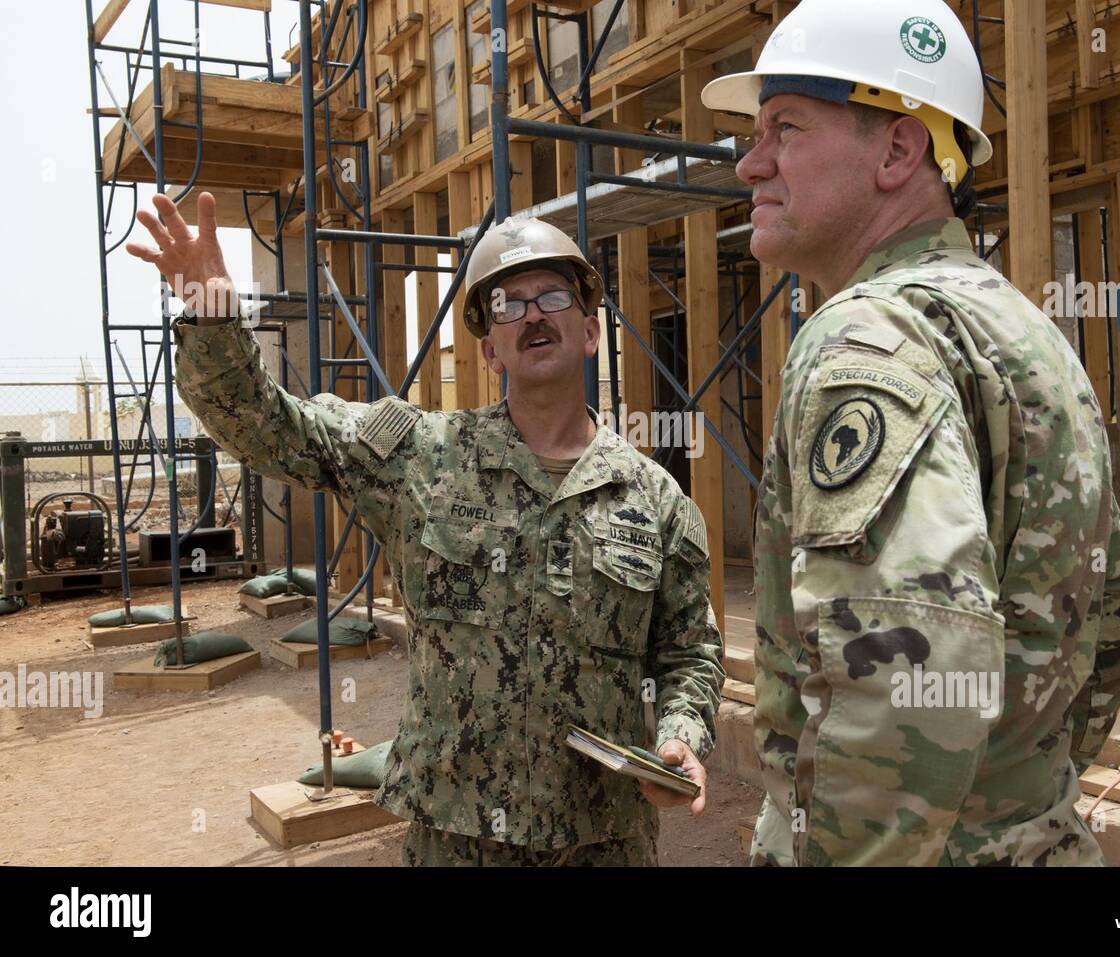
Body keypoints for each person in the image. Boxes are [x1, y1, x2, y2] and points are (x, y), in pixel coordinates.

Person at [127, 197, 723, 866]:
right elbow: (271, 427)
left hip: (604, 842)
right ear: (489, 350)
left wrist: (679, 734)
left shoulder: (656, 499)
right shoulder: (420, 456)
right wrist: (212, 310)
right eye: (506, 304)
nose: (529, 313)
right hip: (455, 840)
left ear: (589, 331)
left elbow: (687, 653)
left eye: (551, 294)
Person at [701, 0, 1120, 865]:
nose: (751, 164)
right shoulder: (1030, 333)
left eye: (785, 128)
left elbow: (909, 666)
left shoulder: (864, 335)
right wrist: (1013, 810)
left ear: (899, 151)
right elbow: (1113, 618)